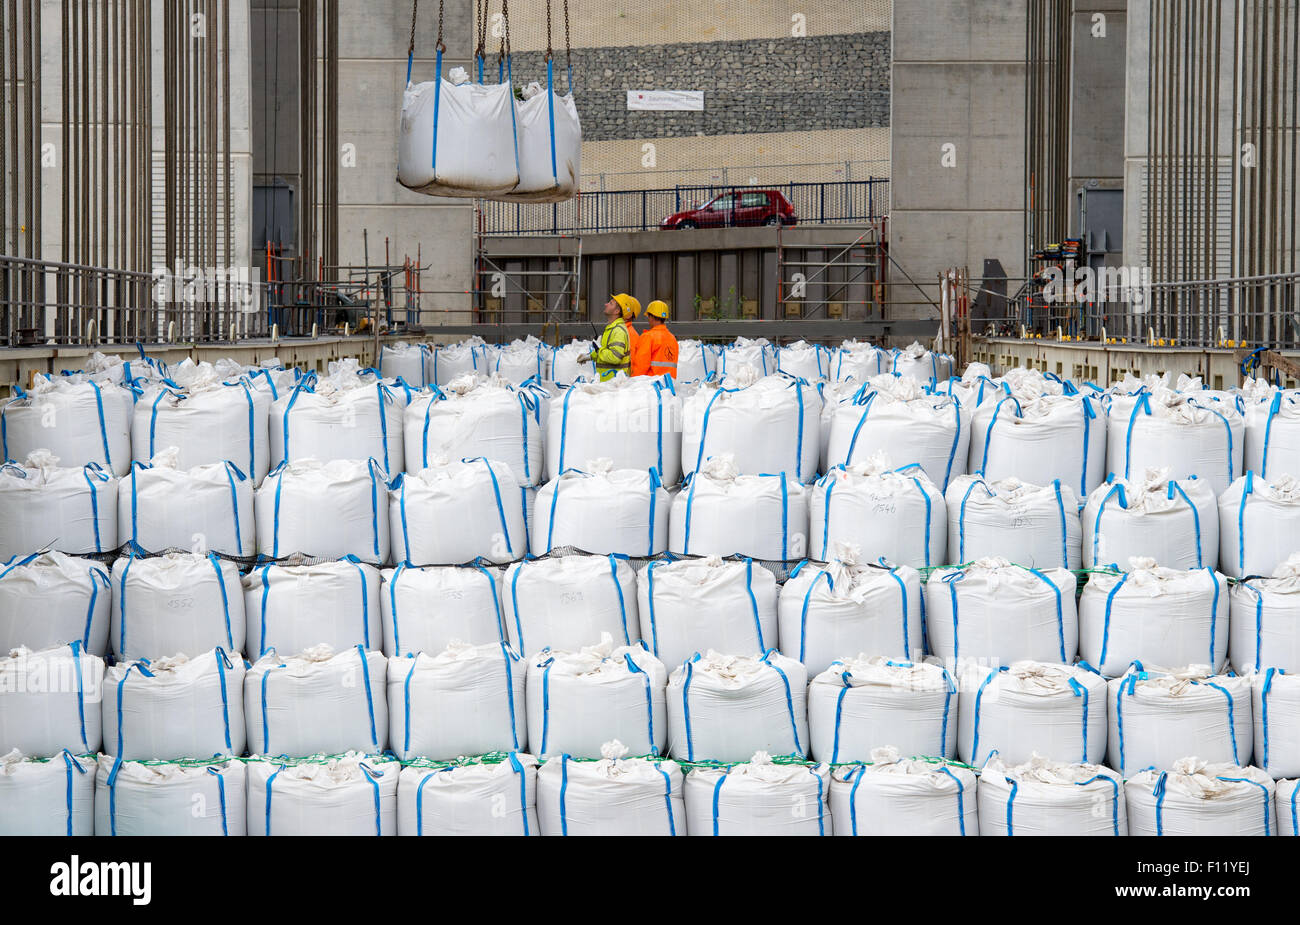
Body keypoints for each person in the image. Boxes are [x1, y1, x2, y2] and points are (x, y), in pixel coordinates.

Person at [578, 293, 640, 381]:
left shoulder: (618, 331)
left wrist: (599, 349)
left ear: (617, 311)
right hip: (608, 382)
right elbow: (606, 351)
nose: (606, 304)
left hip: (613, 384)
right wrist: (590, 356)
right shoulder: (612, 328)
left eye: (611, 303)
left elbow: (615, 357)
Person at [631, 299, 679, 378]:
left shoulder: (648, 337)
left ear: (651, 317)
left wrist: (632, 382)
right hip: (668, 385)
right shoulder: (672, 338)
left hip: (650, 385)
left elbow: (641, 366)